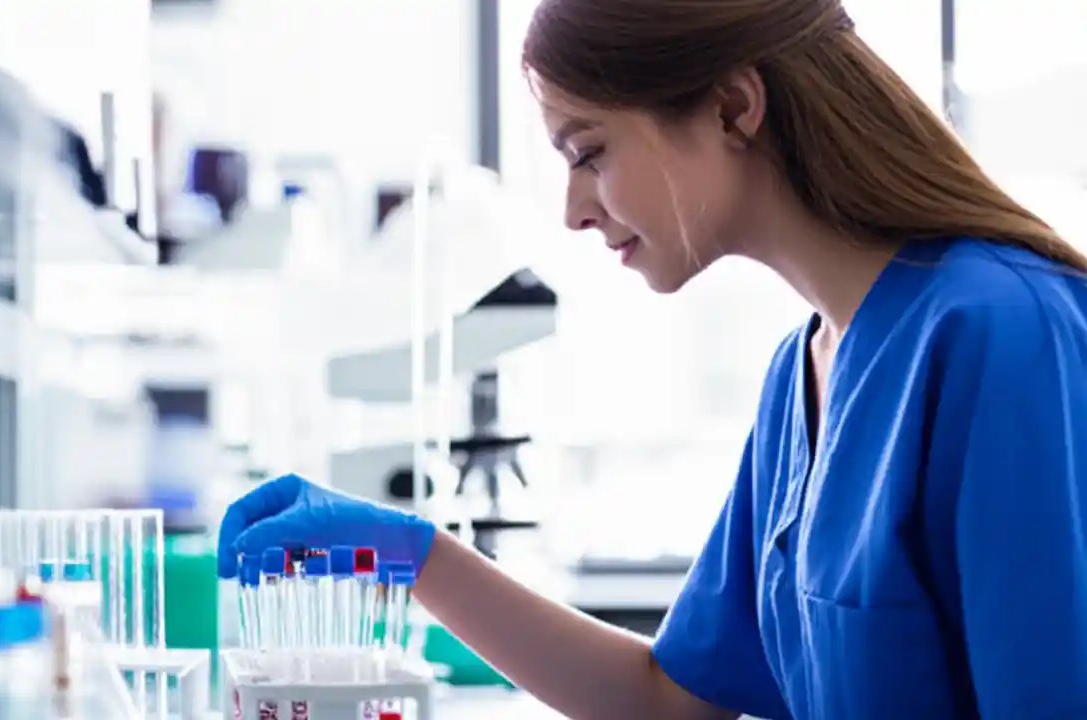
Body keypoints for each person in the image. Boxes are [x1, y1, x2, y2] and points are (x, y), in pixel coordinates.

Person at [219, 0, 1087, 717]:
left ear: (732, 109)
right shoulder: (805, 372)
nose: (572, 211)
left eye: (589, 153)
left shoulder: (1003, 332)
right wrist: (414, 557)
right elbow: (671, 701)